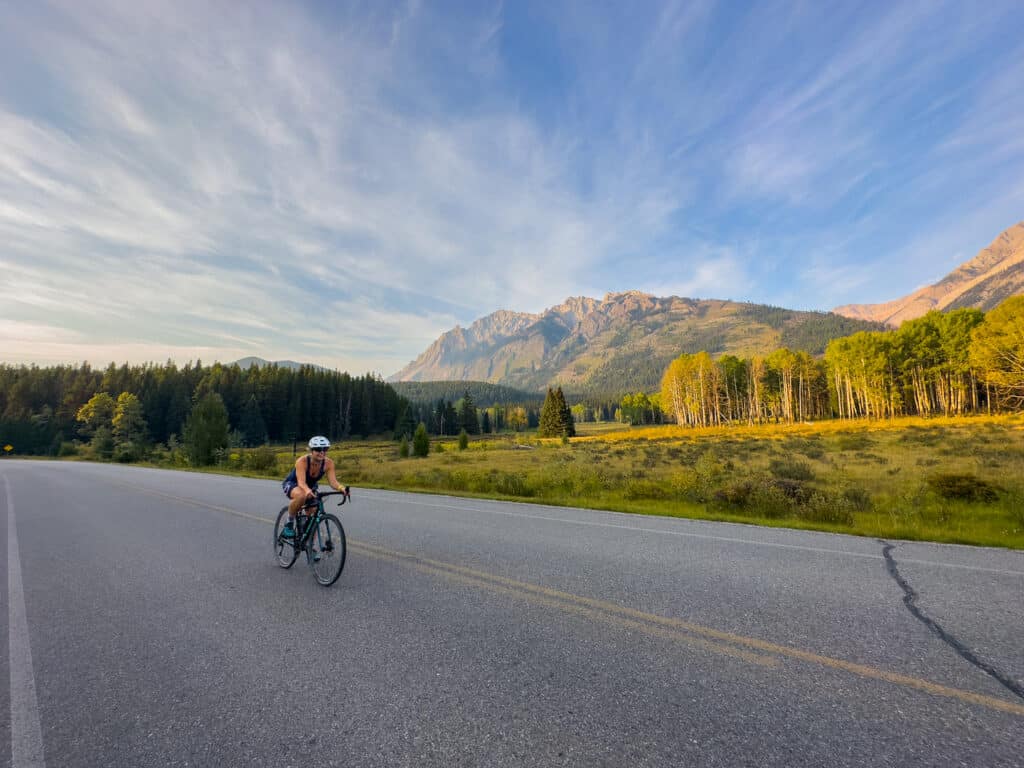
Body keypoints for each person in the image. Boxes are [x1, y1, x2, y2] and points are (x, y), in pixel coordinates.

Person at [280, 435, 348, 539]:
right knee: (301, 495)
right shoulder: (302, 461)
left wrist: (341, 488)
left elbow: (333, 482)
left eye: (325, 449)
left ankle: (311, 547)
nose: (322, 452)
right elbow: (301, 483)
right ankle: (289, 523)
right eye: (318, 449)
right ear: (311, 451)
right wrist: (307, 490)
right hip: (294, 483)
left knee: (313, 517)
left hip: (310, 486)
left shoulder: (328, 463)